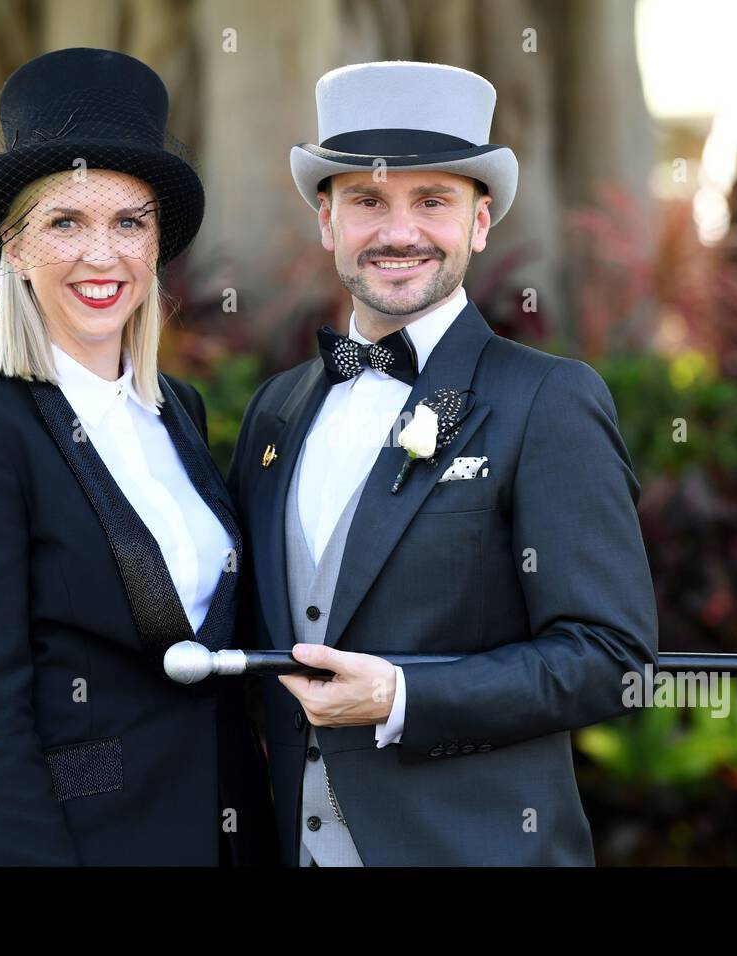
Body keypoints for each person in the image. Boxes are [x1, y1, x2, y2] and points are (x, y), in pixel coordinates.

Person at [226, 60, 658, 865]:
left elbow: (611, 658)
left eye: (432, 201)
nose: (398, 233)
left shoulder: (549, 401)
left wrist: (402, 697)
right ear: (326, 222)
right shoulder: (275, 410)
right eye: (366, 201)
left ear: (480, 222)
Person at [0, 47, 275, 866]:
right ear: (16, 248)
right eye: (65, 221)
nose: (101, 255)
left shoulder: (179, 411)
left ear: (156, 245)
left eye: (128, 222)